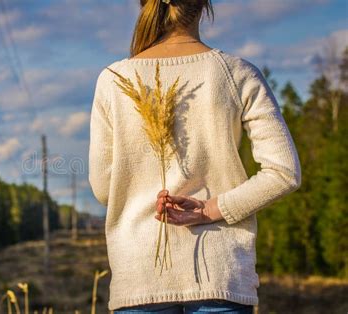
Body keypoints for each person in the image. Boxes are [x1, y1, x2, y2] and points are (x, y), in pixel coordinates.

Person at [88, 0, 302, 313]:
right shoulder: (237, 73)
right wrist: (210, 209)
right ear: (204, 5)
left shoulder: (113, 79)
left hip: (139, 277)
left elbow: (104, 188)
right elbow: (285, 173)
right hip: (221, 273)